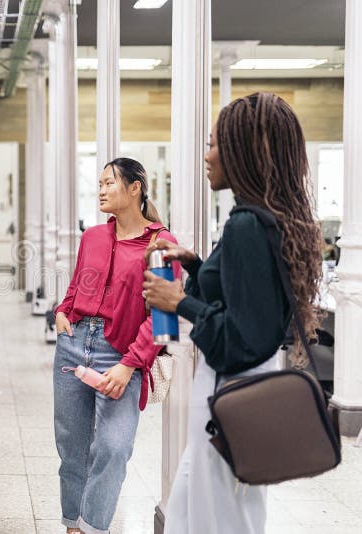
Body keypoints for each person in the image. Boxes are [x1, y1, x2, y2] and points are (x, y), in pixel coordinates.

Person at [142, 92, 324, 534]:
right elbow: (243, 301)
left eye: (212, 145)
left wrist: (178, 302)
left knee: (222, 520)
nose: (206, 156)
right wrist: (194, 265)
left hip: (231, 396)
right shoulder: (263, 218)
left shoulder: (246, 225)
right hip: (239, 392)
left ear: (241, 151)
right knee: (190, 513)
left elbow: (242, 340)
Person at [53, 158, 180, 534]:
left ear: (135, 187)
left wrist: (130, 364)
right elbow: (78, 285)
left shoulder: (161, 243)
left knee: (113, 447)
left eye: (109, 183)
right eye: (100, 184)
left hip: (121, 354)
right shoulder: (93, 237)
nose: (101, 190)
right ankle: (72, 526)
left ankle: (92, 527)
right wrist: (62, 311)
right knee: (72, 447)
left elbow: (163, 317)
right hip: (74, 344)